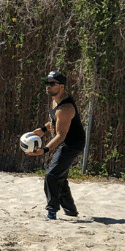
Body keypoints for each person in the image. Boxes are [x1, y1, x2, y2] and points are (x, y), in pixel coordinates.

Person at [25, 70, 86, 221]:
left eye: (52, 84)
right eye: (47, 83)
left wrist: (44, 150)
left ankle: (51, 212)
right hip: (64, 140)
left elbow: (61, 135)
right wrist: (43, 129)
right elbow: (54, 121)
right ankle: (71, 211)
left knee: (51, 176)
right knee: (60, 176)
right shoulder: (54, 100)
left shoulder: (65, 108)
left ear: (62, 86)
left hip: (72, 143)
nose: (48, 86)